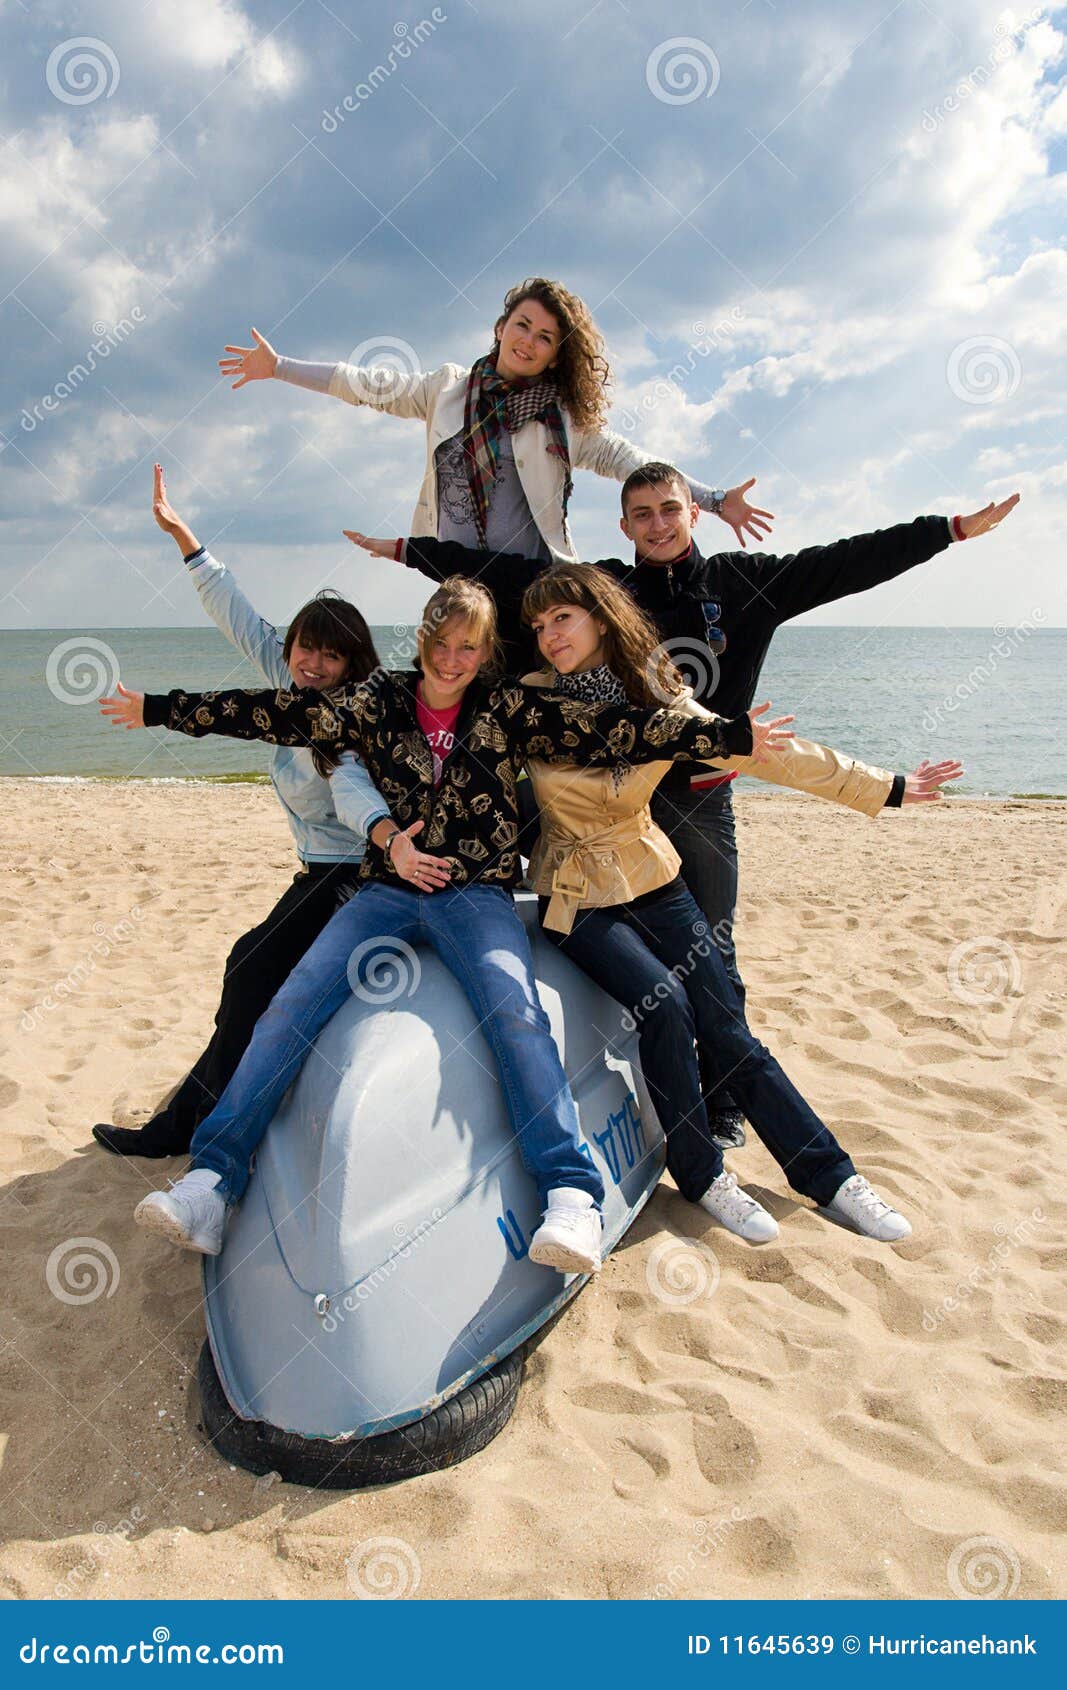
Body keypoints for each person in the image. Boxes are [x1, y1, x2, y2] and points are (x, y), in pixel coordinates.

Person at [99, 578, 767, 1274]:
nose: (452, 661)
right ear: (422, 641)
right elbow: (276, 713)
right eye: (441, 645)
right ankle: (211, 1183)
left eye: (468, 648)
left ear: (484, 651)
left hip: (473, 894)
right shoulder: (376, 700)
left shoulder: (508, 705)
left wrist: (725, 734)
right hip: (385, 889)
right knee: (291, 1003)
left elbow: (611, 730)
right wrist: (156, 709)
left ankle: (571, 1195)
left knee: (515, 1013)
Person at [345, 473, 1017, 1142]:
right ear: (625, 526)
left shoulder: (738, 582)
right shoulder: (601, 588)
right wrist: (410, 551)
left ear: (695, 513)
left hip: (692, 797)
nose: (657, 524)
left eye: (669, 510)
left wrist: (946, 531)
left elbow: (840, 565)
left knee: (710, 960)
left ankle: (722, 1105)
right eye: (641, 514)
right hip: (589, 801)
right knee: (500, 814)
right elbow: (507, 574)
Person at [517, 562, 942, 1244]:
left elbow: (768, 754)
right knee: (665, 1005)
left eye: (560, 618)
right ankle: (704, 1174)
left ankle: (831, 1177)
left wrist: (886, 786)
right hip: (574, 893)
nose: (548, 635)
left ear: (599, 617)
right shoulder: (529, 701)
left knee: (727, 1026)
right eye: (537, 626)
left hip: (652, 876)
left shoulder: (657, 692)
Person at [92, 467, 443, 1161]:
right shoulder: (285, 682)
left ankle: (188, 1123)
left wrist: (379, 832)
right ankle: (205, 1102)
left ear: (351, 664)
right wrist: (184, 536)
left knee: (251, 964)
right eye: (306, 647)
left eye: (331, 654)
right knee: (249, 968)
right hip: (314, 870)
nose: (313, 662)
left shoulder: (344, 722)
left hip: (355, 873)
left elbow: (350, 788)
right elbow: (236, 612)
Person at [218, 277, 775, 563]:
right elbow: (367, 386)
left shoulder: (558, 420)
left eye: (545, 337)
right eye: (522, 325)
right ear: (501, 325)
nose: (528, 342)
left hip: (534, 586)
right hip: (457, 577)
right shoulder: (447, 391)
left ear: (557, 355)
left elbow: (630, 461)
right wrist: (280, 367)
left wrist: (714, 497)